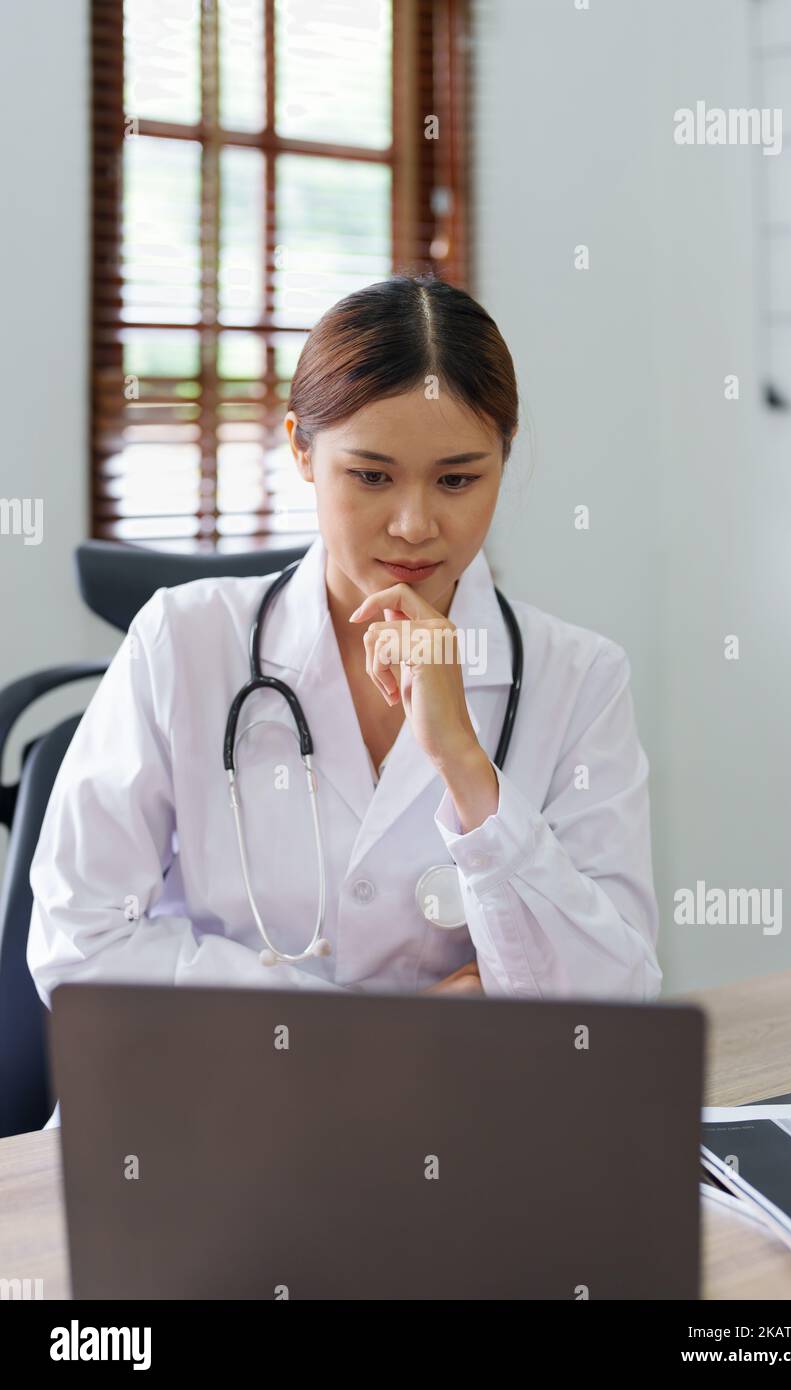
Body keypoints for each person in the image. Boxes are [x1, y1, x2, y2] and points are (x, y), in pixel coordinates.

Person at [28, 273, 662, 1127]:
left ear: (503, 464)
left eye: (457, 480)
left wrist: (468, 771)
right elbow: (81, 941)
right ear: (299, 450)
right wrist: (370, 1035)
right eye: (370, 476)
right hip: (200, 1120)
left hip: (457, 1131)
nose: (413, 525)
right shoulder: (183, 639)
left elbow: (612, 1006)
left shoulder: (578, 678)